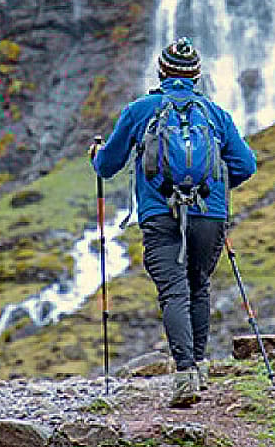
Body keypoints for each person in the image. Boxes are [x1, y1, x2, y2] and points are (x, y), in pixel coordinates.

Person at [91, 38, 257, 407]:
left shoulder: (139, 110)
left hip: (159, 213)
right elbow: (246, 165)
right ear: (196, 76)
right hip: (209, 214)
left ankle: (184, 376)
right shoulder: (215, 113)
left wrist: (96, 156)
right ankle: (198, 367)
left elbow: (107, 166)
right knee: (198, 286)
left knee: (174, 292)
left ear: (162, 72)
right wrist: (212, 186)